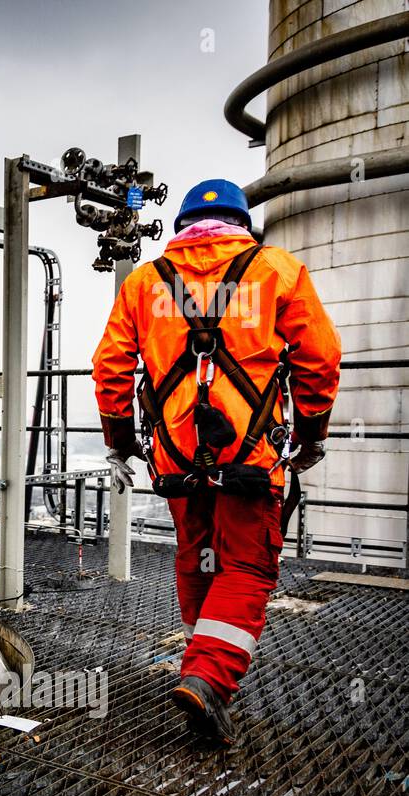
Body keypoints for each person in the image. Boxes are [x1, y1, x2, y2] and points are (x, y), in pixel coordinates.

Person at [92, 178, 340, 746]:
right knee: (248, 568)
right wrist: (311, 434)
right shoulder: (277, 270)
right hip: (249, 457)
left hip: (177, 457)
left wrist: (121, 440)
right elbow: (320, 359)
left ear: (181, 228)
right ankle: (206, 677)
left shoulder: (144, 281)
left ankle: (200, 661)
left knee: (198, 554)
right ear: (242, 221)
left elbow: (109, 369)